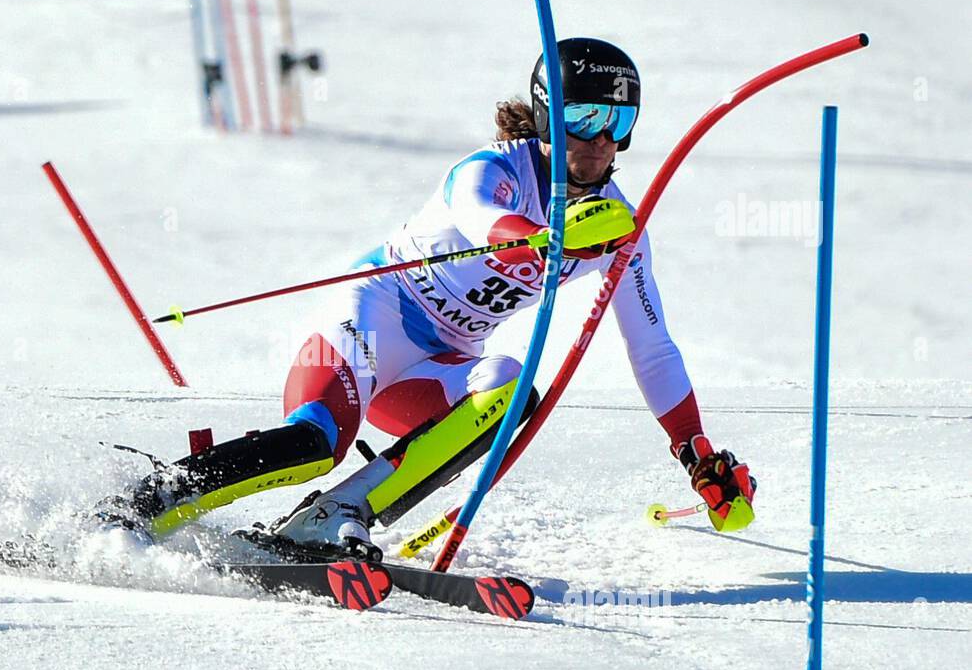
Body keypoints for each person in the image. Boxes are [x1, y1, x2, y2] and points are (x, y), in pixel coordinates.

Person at [95, 37, 756, 559]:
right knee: (314, 443)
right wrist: (545, 238)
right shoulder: (494, 169)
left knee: (509, 389)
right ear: (549, 111)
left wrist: (694, 449)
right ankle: (148, 502)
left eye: (620, 121)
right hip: (372, 319)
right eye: (585, 116)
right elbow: (484, 223)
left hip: (438, 366)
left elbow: (653, 346)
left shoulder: (619, 231)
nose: (602, 140)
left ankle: (338, 512)